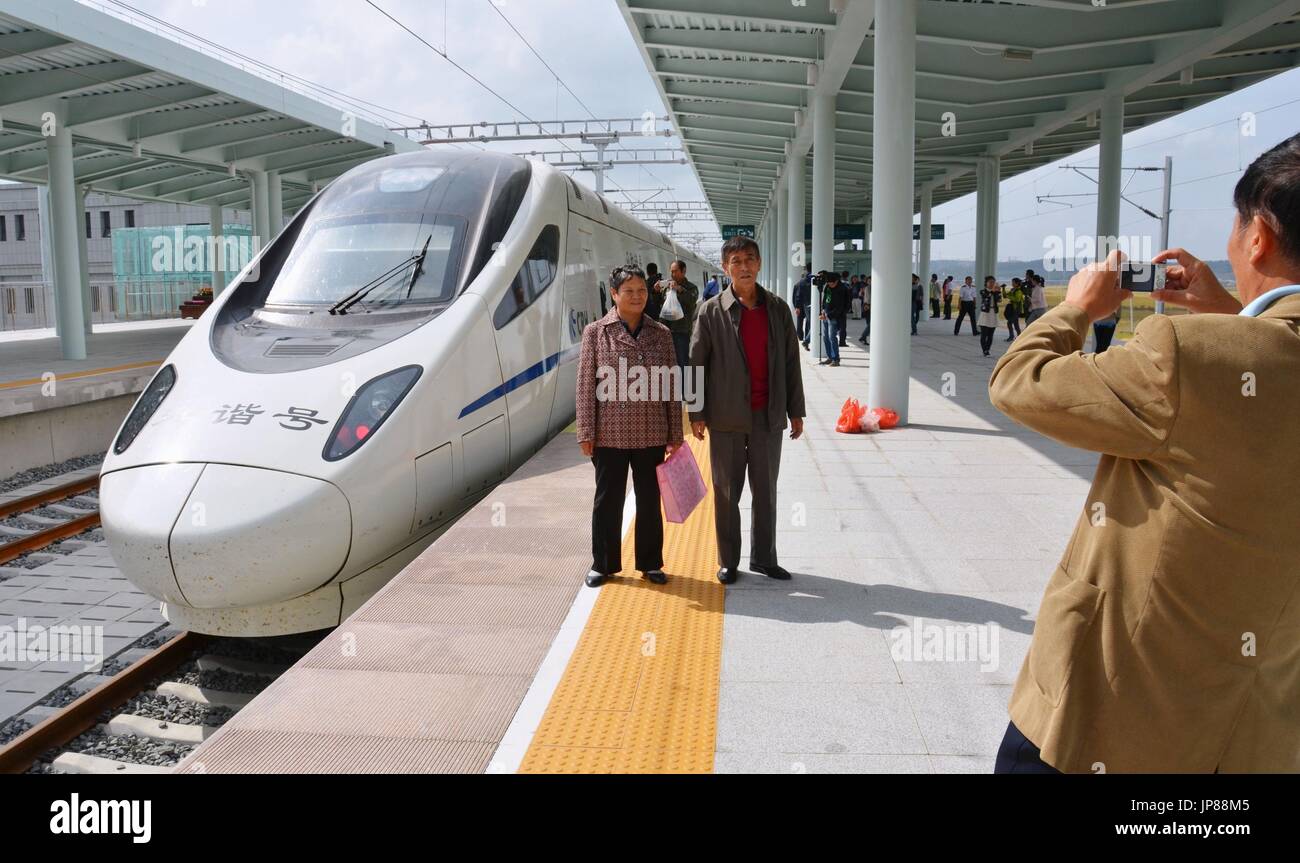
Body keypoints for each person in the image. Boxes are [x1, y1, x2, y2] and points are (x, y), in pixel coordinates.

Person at [987, 132, 1300, 774]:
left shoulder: (1183, 357)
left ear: (1259, 237)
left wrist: (1076, 308)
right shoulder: (1225, 352)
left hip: (1107, 723)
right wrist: (1233, 315)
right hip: (1256, 740)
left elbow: (1019, 383)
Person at [689, 235, 806, 585]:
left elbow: (790, 362)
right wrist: (695, 413)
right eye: (736, 261)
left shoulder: (778, 309)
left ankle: (765, 558)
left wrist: (795, 410)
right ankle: (728, 561)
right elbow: (695, 364)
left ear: (759, 264)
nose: (744, 266)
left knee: (766, 489)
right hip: (725, 417)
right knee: (727, 492)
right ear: (726, 268)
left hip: (767, 416)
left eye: (749, 259)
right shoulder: (710, 311)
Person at [576, 265, 684, 589]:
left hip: (651, 432)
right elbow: (585, 385)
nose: (636, 297)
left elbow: (670, 385)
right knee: (607, 500)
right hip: (610, 433)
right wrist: (586, 432)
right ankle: (603, 564)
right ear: (614, 294)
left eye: (640, 291)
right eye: (628, 291)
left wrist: (675, 434)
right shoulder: (596, 333)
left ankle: (650, 562)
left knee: (650, 499)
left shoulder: (661, 334)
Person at [662, 260, 699, 378]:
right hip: (666, 330)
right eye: (671, 272)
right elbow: (660, 305)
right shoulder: (668, 288)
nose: (672, 275)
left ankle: (684, 390)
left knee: (682, 361)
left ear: (683, 271)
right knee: (668, 363)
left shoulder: (691, 288)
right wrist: (655, 291)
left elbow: (691, 302)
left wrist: (680, 290)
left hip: (681, 330)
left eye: (675, 271)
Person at [818, 270, 847, 366]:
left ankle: (836, 359)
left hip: (834, 317)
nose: (830, 285)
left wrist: (829, 315)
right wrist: (822, 310)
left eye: (832, 283)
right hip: (826, 314)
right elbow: (825, 299)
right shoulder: (827, 287)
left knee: (832, 337)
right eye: (828, 283)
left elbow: (841, 307)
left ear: (837, 281)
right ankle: (829, 357)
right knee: (825, 337)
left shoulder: (842, 289)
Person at [977, 276, 1001, 357]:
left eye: (993, 282)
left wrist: (998, 292)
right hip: (985, 314)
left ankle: (987, 349)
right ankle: (984, 350)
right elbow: (986, 296)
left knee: (991, 334)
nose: (992, 284)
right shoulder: (983, 291)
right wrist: (993, 292)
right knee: (984, 334)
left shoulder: (996, 292)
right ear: (986, 283)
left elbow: (999, 300)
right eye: (990, 282)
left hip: (993, 313)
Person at [792, 265, 812, 349]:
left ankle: (800, 337)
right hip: (808, 304)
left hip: (800, 304)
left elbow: (796, 296)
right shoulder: (811, 281)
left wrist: (796, 306)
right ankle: (806, 339)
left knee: (800, 321)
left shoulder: (799, 283)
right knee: (808, 322)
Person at [1004, 277, 1026, 341]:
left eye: (1013, 282)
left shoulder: (1019, 291)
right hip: (1013, 309)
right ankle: (1019, 337)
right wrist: (1003, 289)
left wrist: (1009, 296)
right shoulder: (1013, 289)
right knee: (1016, 324)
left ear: (1017, 283)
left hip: (1016, 309)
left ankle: (1012, 336)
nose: (1012, 283)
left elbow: (1017, 299)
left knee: (1009, 323)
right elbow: (1005, 296)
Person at [837, 270, 851, 346]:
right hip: (842, 310)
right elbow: (848, 298)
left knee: (833, 328)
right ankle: (842, 342)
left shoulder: (831, 286)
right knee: (842, 327)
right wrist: (846, 309)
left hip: (834, 310)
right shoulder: (847, 285)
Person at [858, 275, 872, 344]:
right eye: (869, 281)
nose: (870, 282)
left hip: (868, 306)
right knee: (870, 324)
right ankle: (863, 336)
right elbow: (868, 298)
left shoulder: (867, 287)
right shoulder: (868, 288)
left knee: (869, 324)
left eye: (871, 280)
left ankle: (864, 338)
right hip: (868, 306)